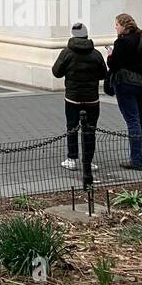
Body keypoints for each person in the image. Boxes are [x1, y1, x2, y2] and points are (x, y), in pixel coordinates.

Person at [52, 22, 107, 172]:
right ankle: (88, 161)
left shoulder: (66, 53)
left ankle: (72, 158)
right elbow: (103, 74)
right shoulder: (96, 54)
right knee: (90, 129)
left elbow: (56, 72)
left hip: (72, 97)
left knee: (72, 127)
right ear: (87, 35)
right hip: (91, 99)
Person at [107, 13, 142, 170]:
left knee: (132, 121)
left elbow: (114, 64)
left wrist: (110, 55)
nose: (115, 27)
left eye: (116, 24)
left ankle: (136, 160)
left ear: (123, 25)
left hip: (127, 84)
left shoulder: (121, 42)